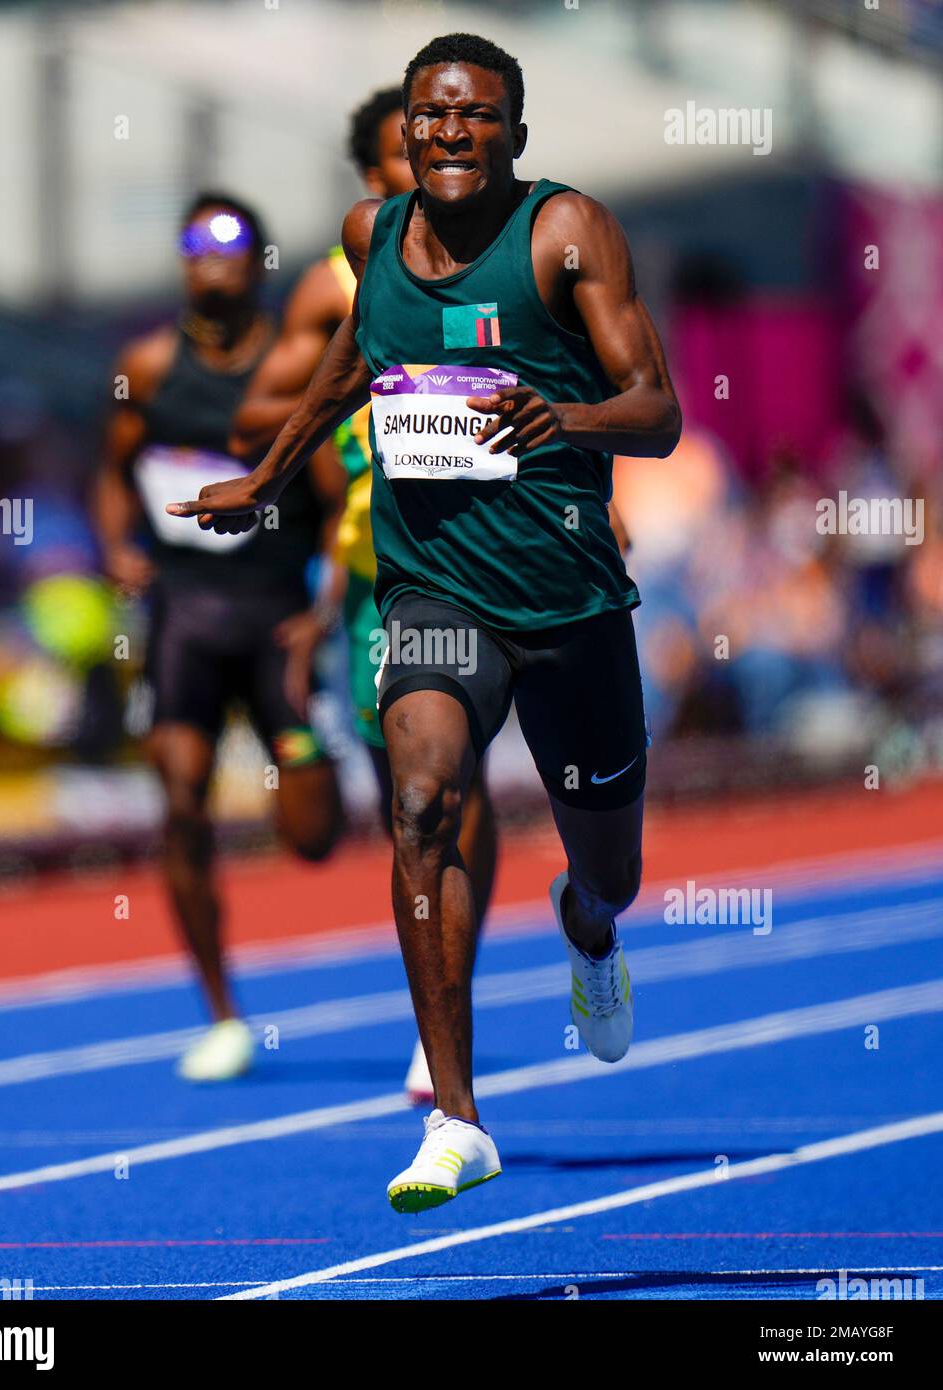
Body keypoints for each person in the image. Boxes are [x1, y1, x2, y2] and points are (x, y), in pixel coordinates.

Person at [168, 33, 680, 1209]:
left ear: (514, 133)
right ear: (403, 131)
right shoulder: (368, 240)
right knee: (419, 799)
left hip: (566, 596)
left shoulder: (566, 232)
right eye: (430, 114)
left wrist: (563, 414)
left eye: (476, 114)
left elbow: (653, 412)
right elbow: (346, 373)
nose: (450, 132)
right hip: (432, 588)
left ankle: (586, 929)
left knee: (609, 862)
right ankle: (456, 1115)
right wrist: (266, 476)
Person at [229, 88, 497, 1107]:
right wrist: (353, 395)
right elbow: (260, 403)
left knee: (453, 785)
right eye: (399, 156)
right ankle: (440, 1011)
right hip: (377, 572)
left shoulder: (505, 255)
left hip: (491, 556)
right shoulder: (328, 284)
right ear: (368, 174)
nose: (425, 167)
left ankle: (455, 1008)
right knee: (414, 796)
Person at [96, 192, 344, 1082]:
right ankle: (222, 1013)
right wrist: (120, 545)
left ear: (260, 263)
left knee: (313, 837)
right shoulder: (152, 367)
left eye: (230, 242)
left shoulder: (292, 363)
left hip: (277, 619)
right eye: (193, 243)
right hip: (187, 618)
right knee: (181, 798)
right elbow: (114, 468)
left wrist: (328, 603)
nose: (210, 257)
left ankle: (312, 755)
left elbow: (337, 492)